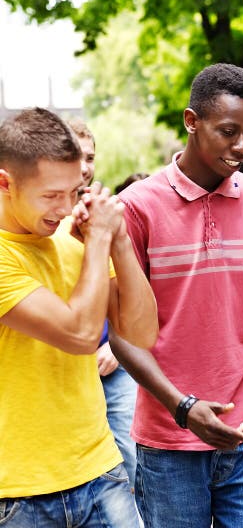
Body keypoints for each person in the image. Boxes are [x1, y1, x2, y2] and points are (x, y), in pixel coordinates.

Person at [109, 63, 243, 527]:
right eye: (228, 132)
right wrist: (183, 408)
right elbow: (123, 334)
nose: (241, 146)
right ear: (191, 121)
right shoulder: (137, 208)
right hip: (169, 443)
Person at [0, 108, 158, 527]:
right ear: (5, 183)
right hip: (17, 491)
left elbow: (140, 333)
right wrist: (100, 239)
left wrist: (119, 242)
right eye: (51, 196)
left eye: (74, 192)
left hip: (99, 470)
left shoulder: (73, 233)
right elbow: (82, 333)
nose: (66, 207)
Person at [65, 119, 140, 487]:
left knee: (128, 454)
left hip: (112, 361)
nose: (84, 166)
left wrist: (115, 345)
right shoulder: (44, 220)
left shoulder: (103, 213)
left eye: (90, 156)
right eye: (76, 156)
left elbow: (125, 297)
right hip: (65, 365)